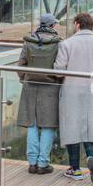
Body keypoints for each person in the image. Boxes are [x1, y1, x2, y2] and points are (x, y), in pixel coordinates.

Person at [55, 12, 93, 183]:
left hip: (72, 89)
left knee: (72, 127)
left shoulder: (67, 44)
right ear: (92, 26)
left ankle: (75, 169)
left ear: (77, 24)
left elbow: (59, 71)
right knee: (91, 126)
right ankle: (90, 157)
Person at [17, 13, 62, 174]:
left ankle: (32, 162)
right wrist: (57, 81)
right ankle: (43, 163)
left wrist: (25, 79)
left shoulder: (28, 42)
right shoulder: (57, 43)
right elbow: (60, 68)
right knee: (48, 125)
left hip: (30, 86)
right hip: (50, 87)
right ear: (52, 26)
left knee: (32, 124)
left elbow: (21, 64)